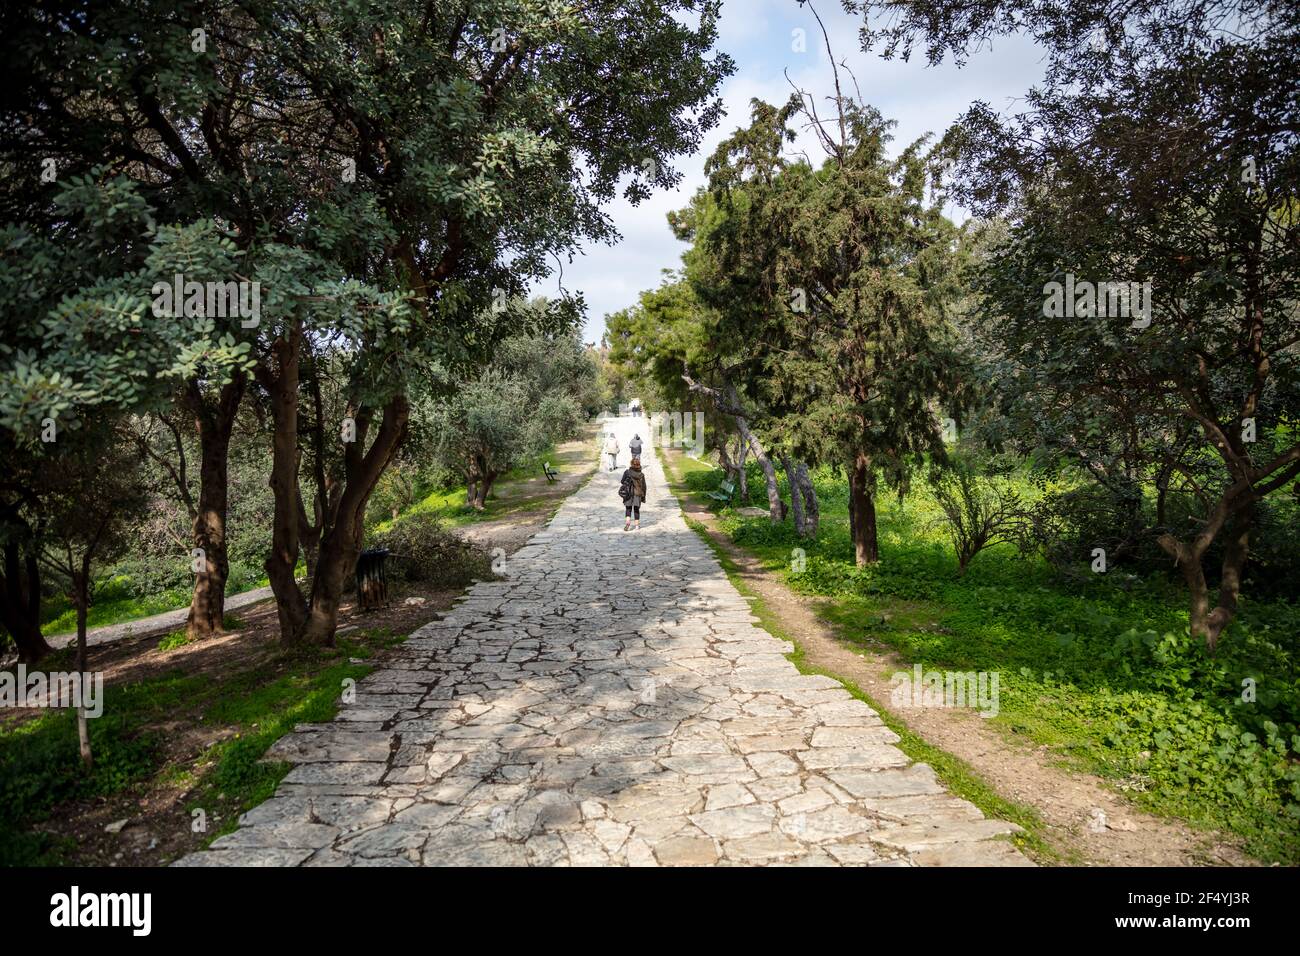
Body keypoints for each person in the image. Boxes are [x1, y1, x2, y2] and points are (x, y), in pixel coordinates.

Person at [619, 457, 648, 531]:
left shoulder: (627, 472)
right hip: (637, 494)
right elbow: (644, 486)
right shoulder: (641, 474)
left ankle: (628, 523)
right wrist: (643, 496)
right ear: (639, 465)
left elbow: (622, 481)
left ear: (631, 464)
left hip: (629, 493)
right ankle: (637, 526)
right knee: (636, 509)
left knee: (628, 509)